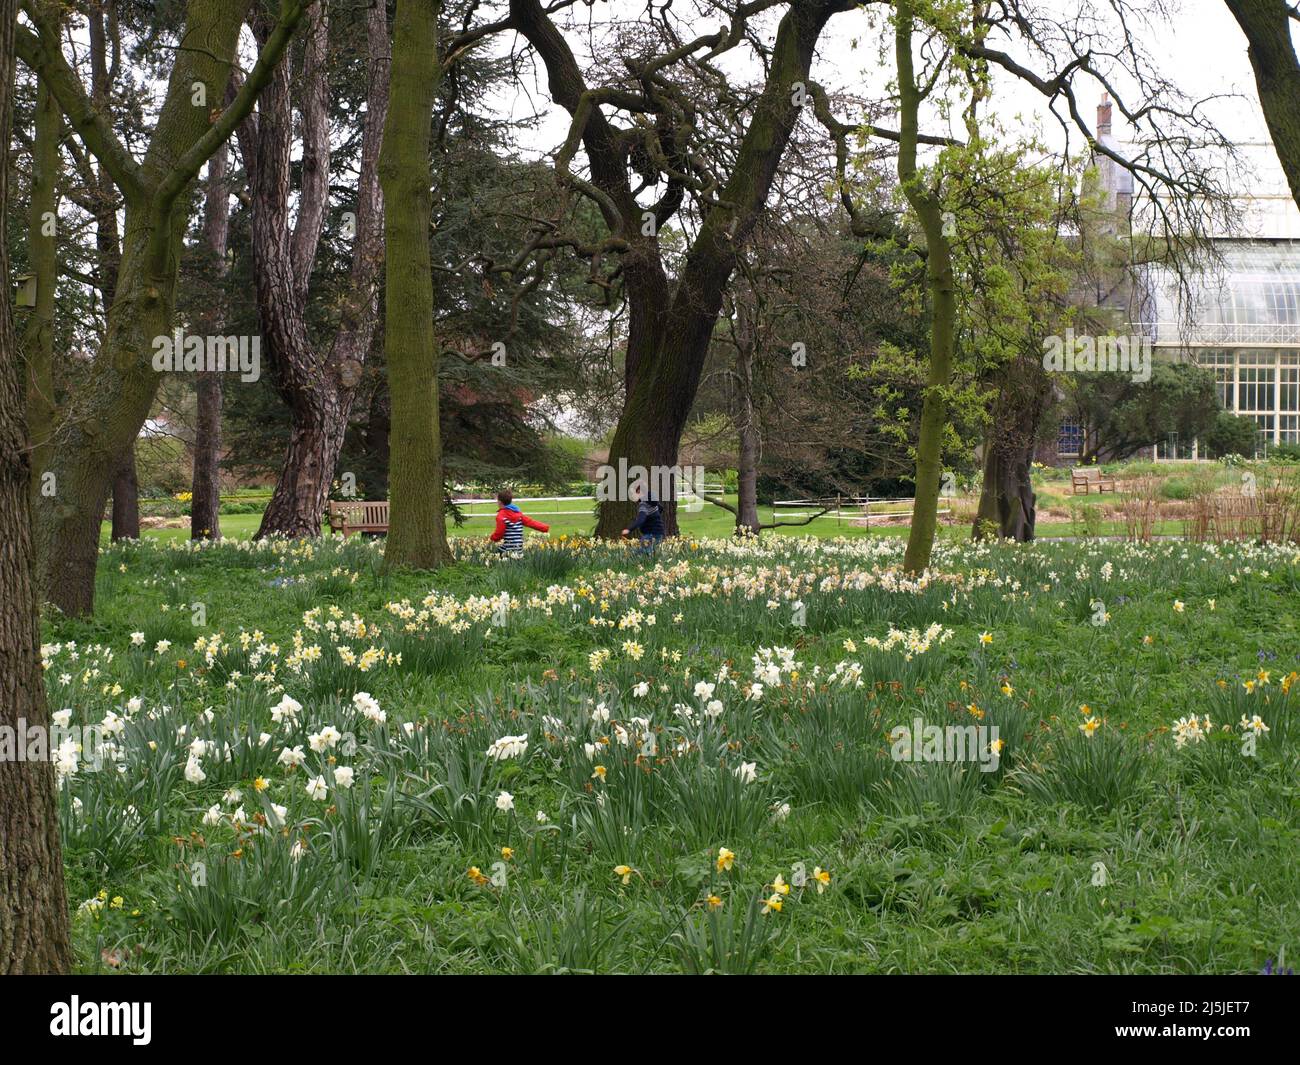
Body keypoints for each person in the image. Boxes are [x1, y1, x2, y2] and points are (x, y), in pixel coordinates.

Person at [489, 489, 549, 554]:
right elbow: (531, 522)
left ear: (500, 502)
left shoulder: (501, 516)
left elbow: (499, 534)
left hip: (507, 549)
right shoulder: (518, 514)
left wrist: (492, 538)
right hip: (519, 549)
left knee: (492, 553)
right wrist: (545, 527)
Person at [621, 484, 665, 550]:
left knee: (641, 553)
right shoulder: (652, 502)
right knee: (651, 553)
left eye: (633, 494)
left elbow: (640, 520)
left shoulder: (643, 505)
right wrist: (653, 518)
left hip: (650, 534)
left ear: (639, 492)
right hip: (659, 533)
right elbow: (661, 508)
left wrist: (629, 529)